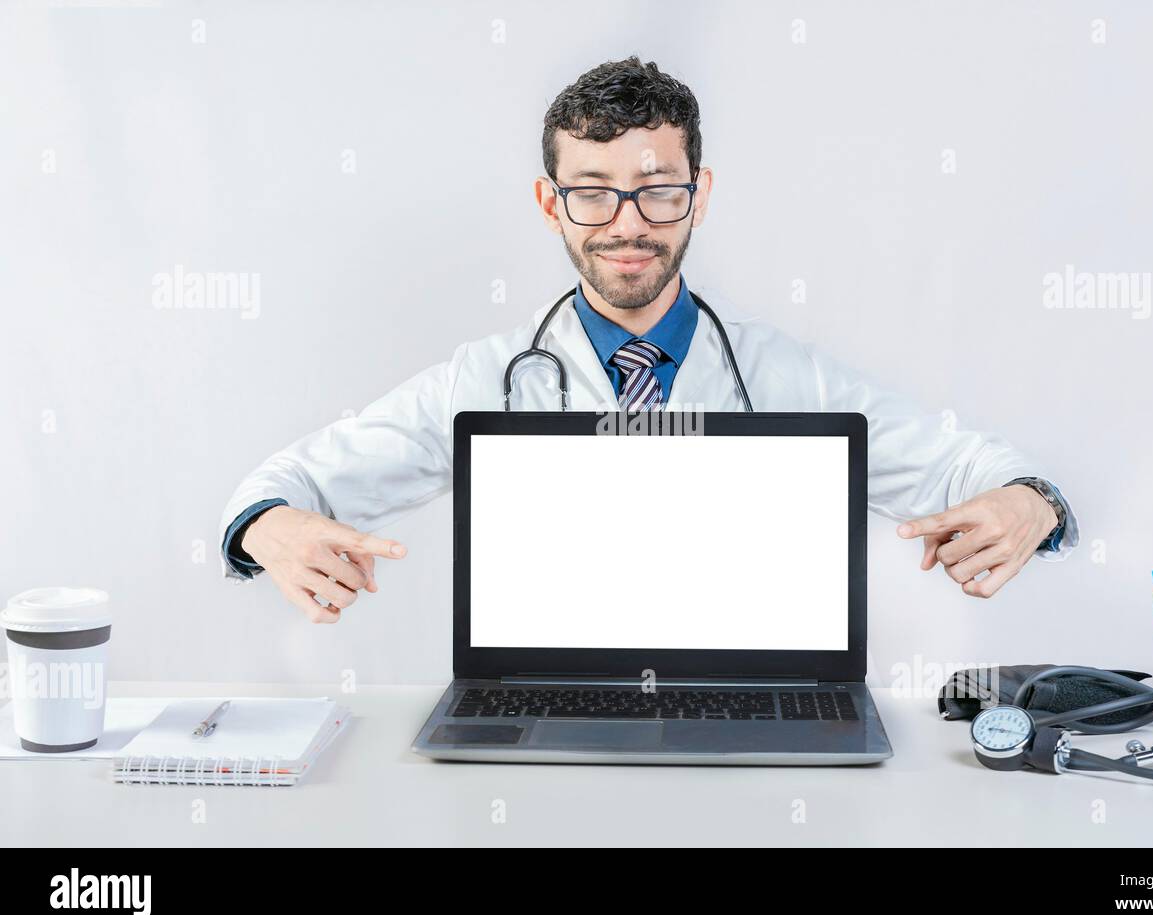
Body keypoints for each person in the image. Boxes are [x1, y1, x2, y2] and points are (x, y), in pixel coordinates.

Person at [220, 56, 1077, 624]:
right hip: (547, 706)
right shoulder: (485, 380)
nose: (626, 224)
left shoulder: (785, 374)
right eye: (591, 191)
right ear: (550, 202)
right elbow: (282, 485)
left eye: (657, 189)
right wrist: (267, 526)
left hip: (743, 704)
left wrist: (1031, 501)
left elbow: (970, 469)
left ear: (698, 195)